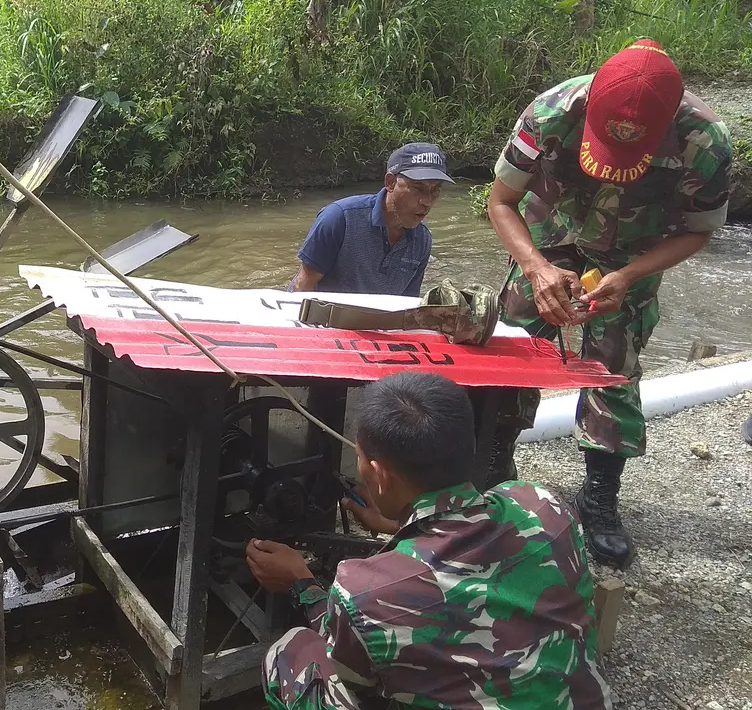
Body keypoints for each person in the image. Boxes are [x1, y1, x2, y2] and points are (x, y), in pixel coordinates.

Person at [486, 39, 732, 567]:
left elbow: (697, 232)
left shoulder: (705, 143)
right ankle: (490, 464)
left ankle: (599, 496)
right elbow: (501, 200)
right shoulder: (550, 114)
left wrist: (629, 275)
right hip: (546, 239)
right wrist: (535, 267)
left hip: (633, 254)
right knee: (510, 353)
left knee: (612, 369)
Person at [247, 372, 610, 709]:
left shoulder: (362, 592)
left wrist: (302, 583)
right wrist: (399, 524)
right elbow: (470, 532)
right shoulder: (544, 505)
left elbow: (350, 671)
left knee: (288, 653)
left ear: (378, 475)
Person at [288, 143, 453, 297]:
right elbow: (302, 289)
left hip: (376, 325)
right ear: (390, 182)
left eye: (435, 190)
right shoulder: (339, 219)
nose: (428, 201)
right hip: (325, 323)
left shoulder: (422, 240)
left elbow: (407, 305)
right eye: (418, 188)